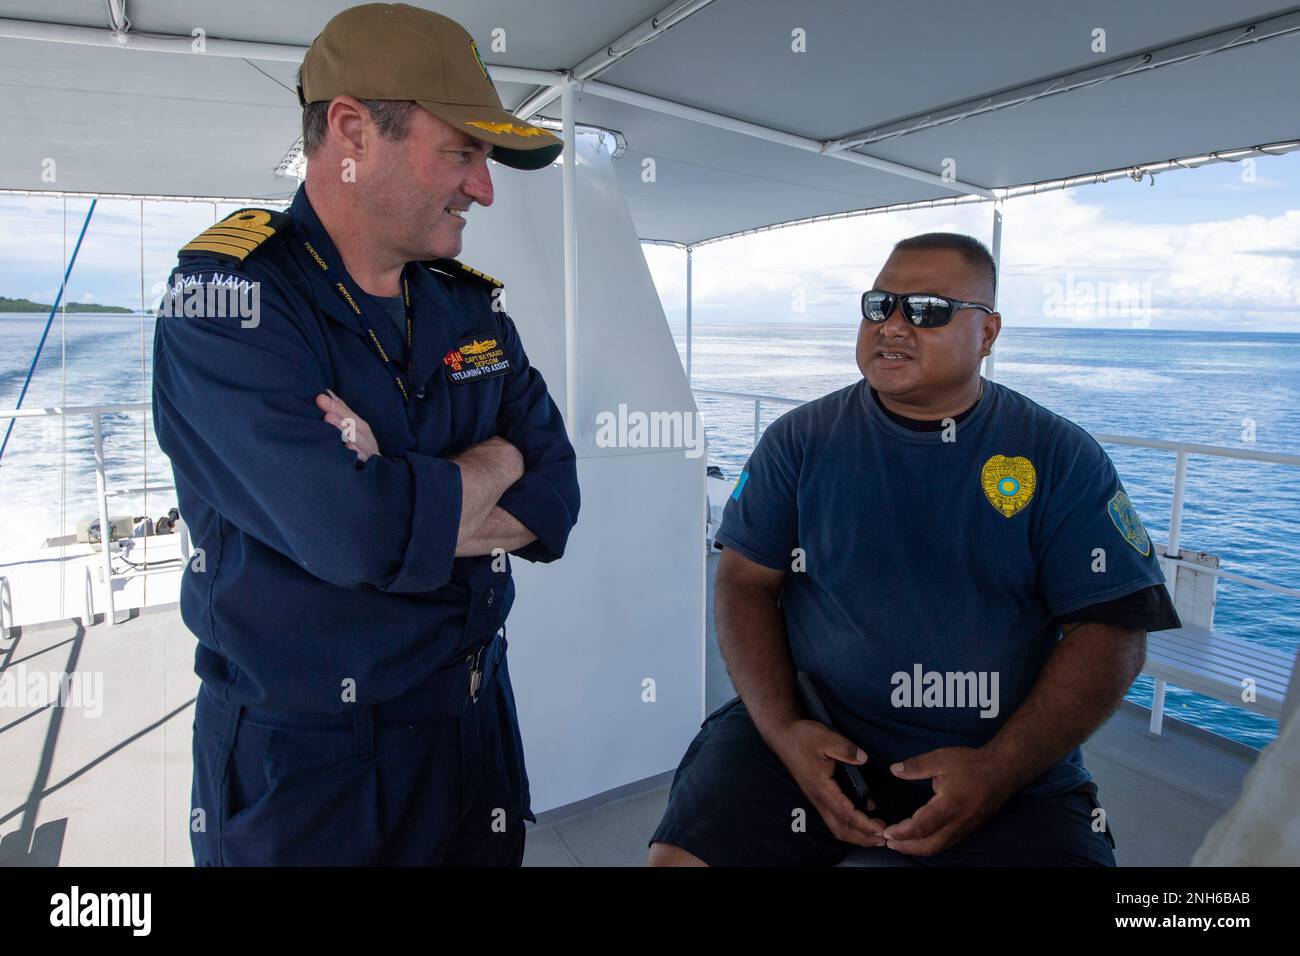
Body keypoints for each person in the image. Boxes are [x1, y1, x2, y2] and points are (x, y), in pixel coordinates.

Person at [152, 2, 578, 866]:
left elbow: (557, 497)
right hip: (310, 764)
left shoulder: (468, 303)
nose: (484, 187)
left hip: (472, 725)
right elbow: (356, 533)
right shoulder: (227, 302)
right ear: (350, 131)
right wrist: (490, 464)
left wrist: (407, 488)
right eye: (461, 151)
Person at [648, 233, 1180, 867]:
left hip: (1003, 757)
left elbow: (1112, 630)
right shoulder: (799, 441)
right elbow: (744, 582)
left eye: (926, 309)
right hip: (812, 729)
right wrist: (784, 730)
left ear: (988, 334)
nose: (893, 326)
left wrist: (1000, 769)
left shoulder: (1061, 456)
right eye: (880, 305)